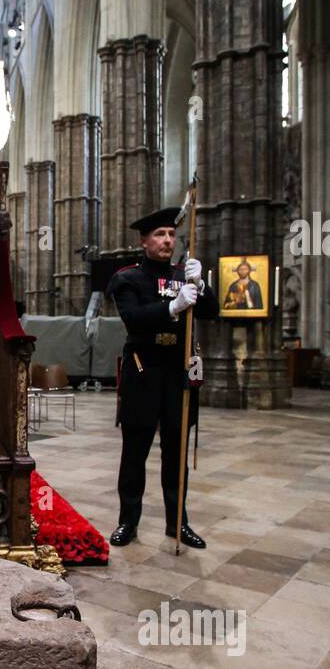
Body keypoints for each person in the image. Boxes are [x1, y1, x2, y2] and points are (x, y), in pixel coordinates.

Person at [107, 207, 219, 549]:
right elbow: (134, 319)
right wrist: (172, 308)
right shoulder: (127, 278)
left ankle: (178, 522)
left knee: (175, 453)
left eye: (171, 235)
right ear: (144, 241)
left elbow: (211, 313)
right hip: (143, 371)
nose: (167, 240)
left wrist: (201, 284)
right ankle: (128, 521)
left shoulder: (183, 276)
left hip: (176, 375)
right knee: (134, 454)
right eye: (159, 235)